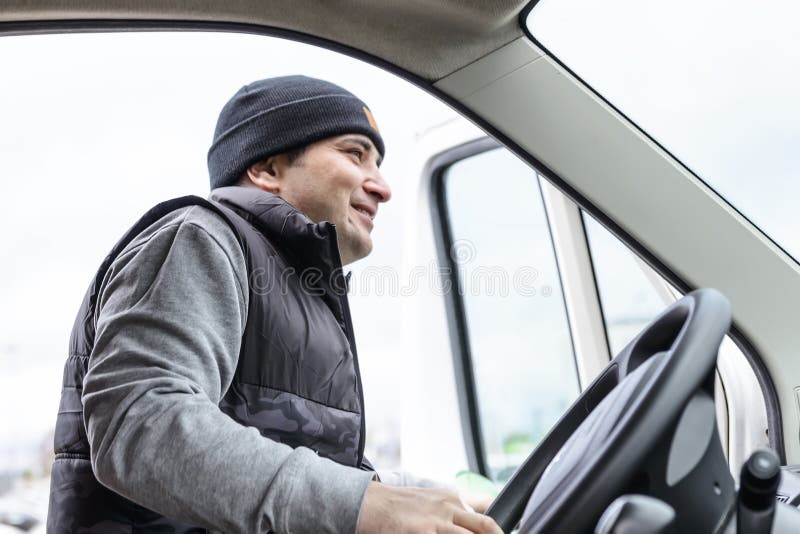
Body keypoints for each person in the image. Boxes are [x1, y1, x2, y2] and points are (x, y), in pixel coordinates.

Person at [47, 75, 502, 534]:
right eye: (355, 154)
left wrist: (435, 502)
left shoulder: (296, 291)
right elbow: (141, 421)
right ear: (268, 169)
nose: (383, 187)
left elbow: (314, 464)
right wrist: (366, 507)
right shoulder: (200, 239)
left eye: (378, 163)